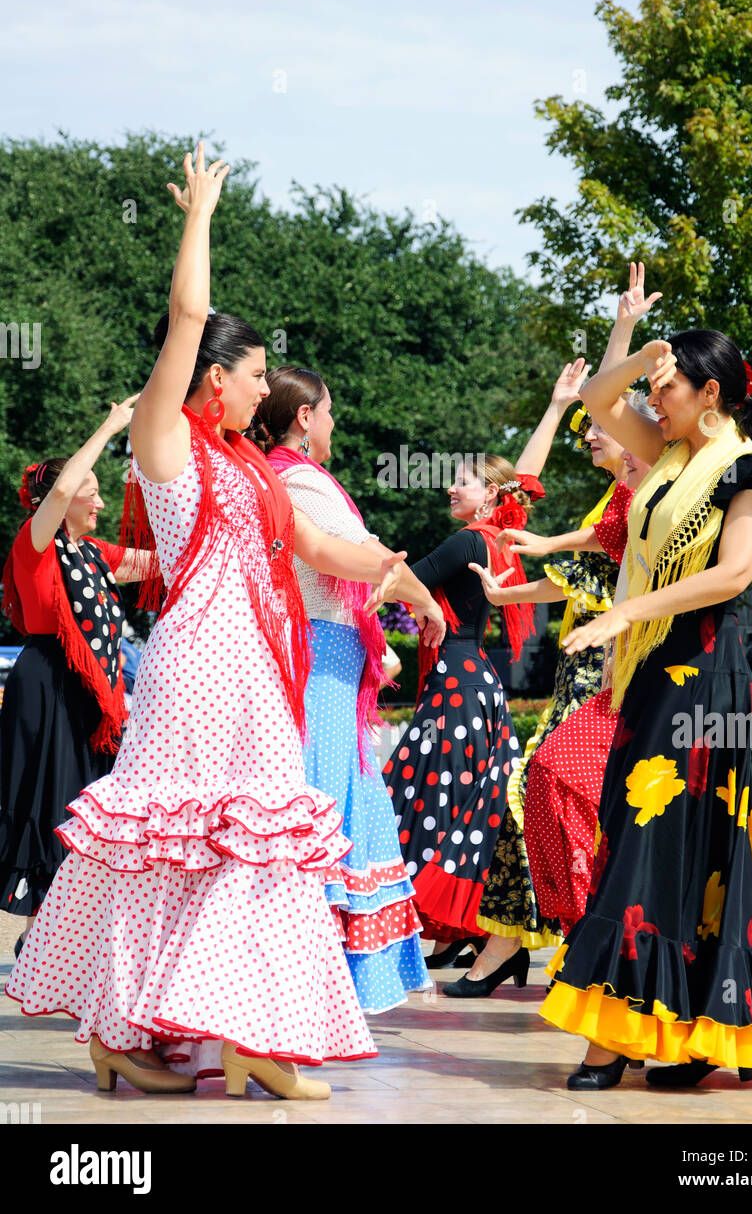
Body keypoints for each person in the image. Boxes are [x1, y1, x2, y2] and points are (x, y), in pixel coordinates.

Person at [7, 143, 406, 1101]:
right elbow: (186, 314)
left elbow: (316, 544)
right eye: (256, 371)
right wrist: (199, 217)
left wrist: (398, 569)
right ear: (212, 378)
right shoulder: (166, 439)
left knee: (252, 845)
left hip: (251, 676)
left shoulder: (247, 467)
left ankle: (232, 1033)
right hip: (195, 670)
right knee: (172, 844)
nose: (267, 388)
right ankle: (151, 1031)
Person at [539, 305, 752, 1089]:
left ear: (709, 395)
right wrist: (640, 356)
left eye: (668, 389)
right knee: (644, 833)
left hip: (705, 671)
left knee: (671, 838)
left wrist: (627, 609)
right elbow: (597, 404)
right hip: (650, 670)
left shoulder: (747, 475)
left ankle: (631, 1035)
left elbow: (735, 573)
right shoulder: (669, 457)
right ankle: (680, 1028)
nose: (653, 403)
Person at [456, 270, 663, 987]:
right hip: (608, 663)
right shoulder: (623, 494)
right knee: (550, 785)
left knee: (570, 792)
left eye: (602, 431)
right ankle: (581, 934)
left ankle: (595, 938)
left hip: (639, 661)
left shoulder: (660, 474)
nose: (593, 437)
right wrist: (534, 558)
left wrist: (624, 336)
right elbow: (587, 544)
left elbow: (602, 399)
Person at [251, 366, 445, 1013]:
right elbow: (363, 553)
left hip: (324, 661)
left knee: (348, 804)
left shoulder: (276, 474)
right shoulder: (300, 477)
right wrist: (426, 605)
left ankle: (320, 982)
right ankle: (310, 980)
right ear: (304, 417)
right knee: (328, 807)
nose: (333, 424)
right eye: (328, 411)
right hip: (321, 666)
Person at [382, 454, 540, 984]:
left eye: (465, 482)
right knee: (457, 808)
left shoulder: (470, 541)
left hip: (455, 687)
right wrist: (559, 406)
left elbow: (404, 576)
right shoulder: (499, 538)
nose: (451, 487)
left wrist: (355, 552)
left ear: (492, 495)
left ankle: (447, 927)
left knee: (420, 801)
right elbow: (524, 477)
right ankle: (472, 933)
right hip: (473, 684)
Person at [0, 402, 143, 954]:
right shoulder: (36, 544)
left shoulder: (90, 553)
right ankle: (49, 933)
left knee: (85, 805)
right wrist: (109, 428)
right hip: (49, 685)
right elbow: (58, 495)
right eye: (94, 491)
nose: (101, 501)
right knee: (56, 804)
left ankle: (52, 933)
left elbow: (154, 564)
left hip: (88, 697)